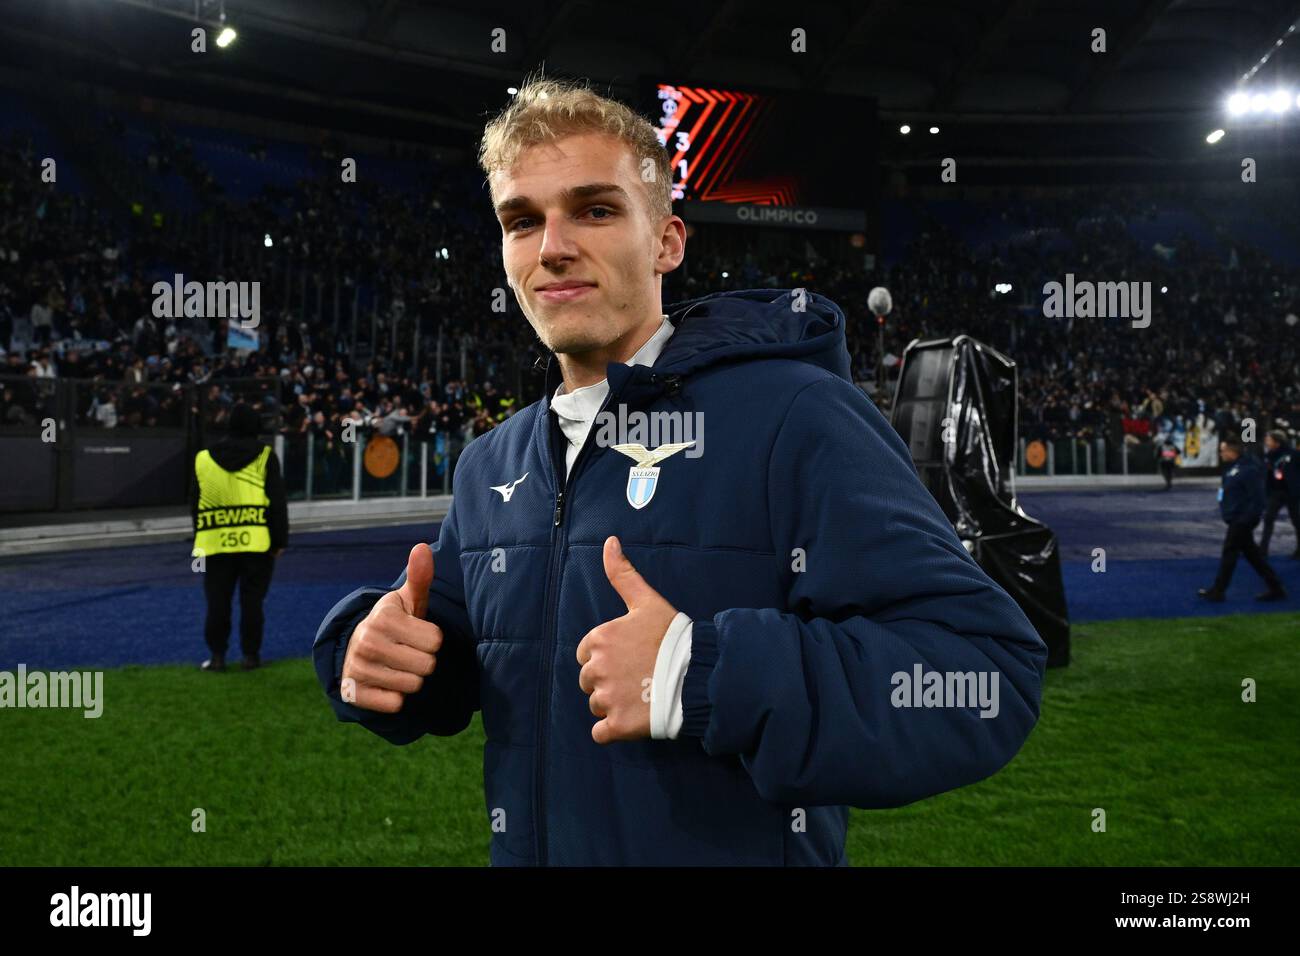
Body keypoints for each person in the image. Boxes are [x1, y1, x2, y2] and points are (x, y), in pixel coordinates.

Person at [313, 75, 1047, 866]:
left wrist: (702, 671)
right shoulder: (496, 458)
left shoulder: (795, 416)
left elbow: (984, 675)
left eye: (595, 210)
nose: (553, 246)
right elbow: (459, 654)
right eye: (522, 220)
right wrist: (376, 652)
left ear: (667, 240)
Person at [191, 402, 289, 671]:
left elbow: (195, 504)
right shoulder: (265, 456)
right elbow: (277, 502)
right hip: (256, 542)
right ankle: (250, 656)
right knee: (252, 602)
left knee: (217, 601)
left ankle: (218, 657)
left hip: (214, 543)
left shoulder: (203, 458)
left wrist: (199, 537)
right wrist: (279, 540)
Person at [1198, 437, 1286, 602]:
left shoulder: (1248, 469)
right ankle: (1276, 587)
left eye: (1223, 450)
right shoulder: (1235, 468)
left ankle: (1219, 590)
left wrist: (1246, 518)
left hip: (1241, 519)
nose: (1221, 453)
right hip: (1236, 517)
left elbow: (1258, 498)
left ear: (1232, 452)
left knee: (1229, 552)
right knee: (1253, 555)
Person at [1260, 430, 1300, 559]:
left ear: (1277, 442)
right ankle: (1263, 549)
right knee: (1268, 519)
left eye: (1269, 440)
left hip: (1291, 492)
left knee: (1297, 521)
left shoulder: (1293, 454)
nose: (1266, 442)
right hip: (1275, 493)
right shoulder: (1268, 455)